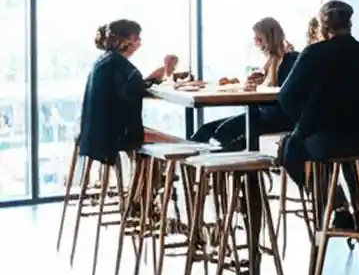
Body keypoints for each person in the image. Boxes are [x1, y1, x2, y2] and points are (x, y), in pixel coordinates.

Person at [279, 0, 359, 231]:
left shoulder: (313, 53)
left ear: (323, 27)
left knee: (292, 150)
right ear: (349, 23)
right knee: (345, 155)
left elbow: (287, 96)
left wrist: (305, 117)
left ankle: (339, 208)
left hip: (327, 142)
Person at [191, 17, 299, 151]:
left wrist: (258, 86)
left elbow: (281, 93)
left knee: (223, 133)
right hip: (259, 114)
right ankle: (188, 170)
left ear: (269, 39)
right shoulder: (270, 62)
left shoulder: (291, 61)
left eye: (259, 39)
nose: (256, 44)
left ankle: (228, 169)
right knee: (205, 130)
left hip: (275, 119)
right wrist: (255, 83)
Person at [78, 20, 177, 165]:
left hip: (95, 132)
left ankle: (153, 182)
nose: (140, 42)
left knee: (161, 137)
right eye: (138, 38)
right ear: (128, 40)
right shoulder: (122, 66)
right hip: (118, 134)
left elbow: (133, 87)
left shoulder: (106, 62)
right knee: (178, 142)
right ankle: (159, 181)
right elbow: (138, 90)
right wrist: (166, 71)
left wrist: (158, 73)